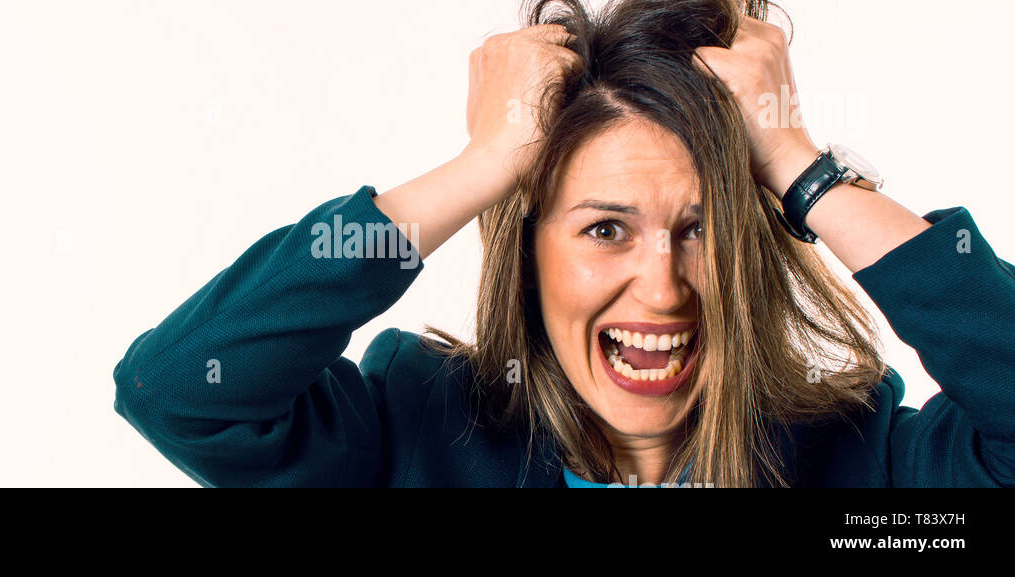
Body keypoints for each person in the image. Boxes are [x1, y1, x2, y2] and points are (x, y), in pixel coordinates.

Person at [112, 0, 1015, 487]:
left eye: (699, 229)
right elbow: (182, 391)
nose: (661, 288)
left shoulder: (868, 471)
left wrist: (796, 164)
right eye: (604, 228)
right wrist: (484, 165)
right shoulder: (413, 438)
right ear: (530, 250)